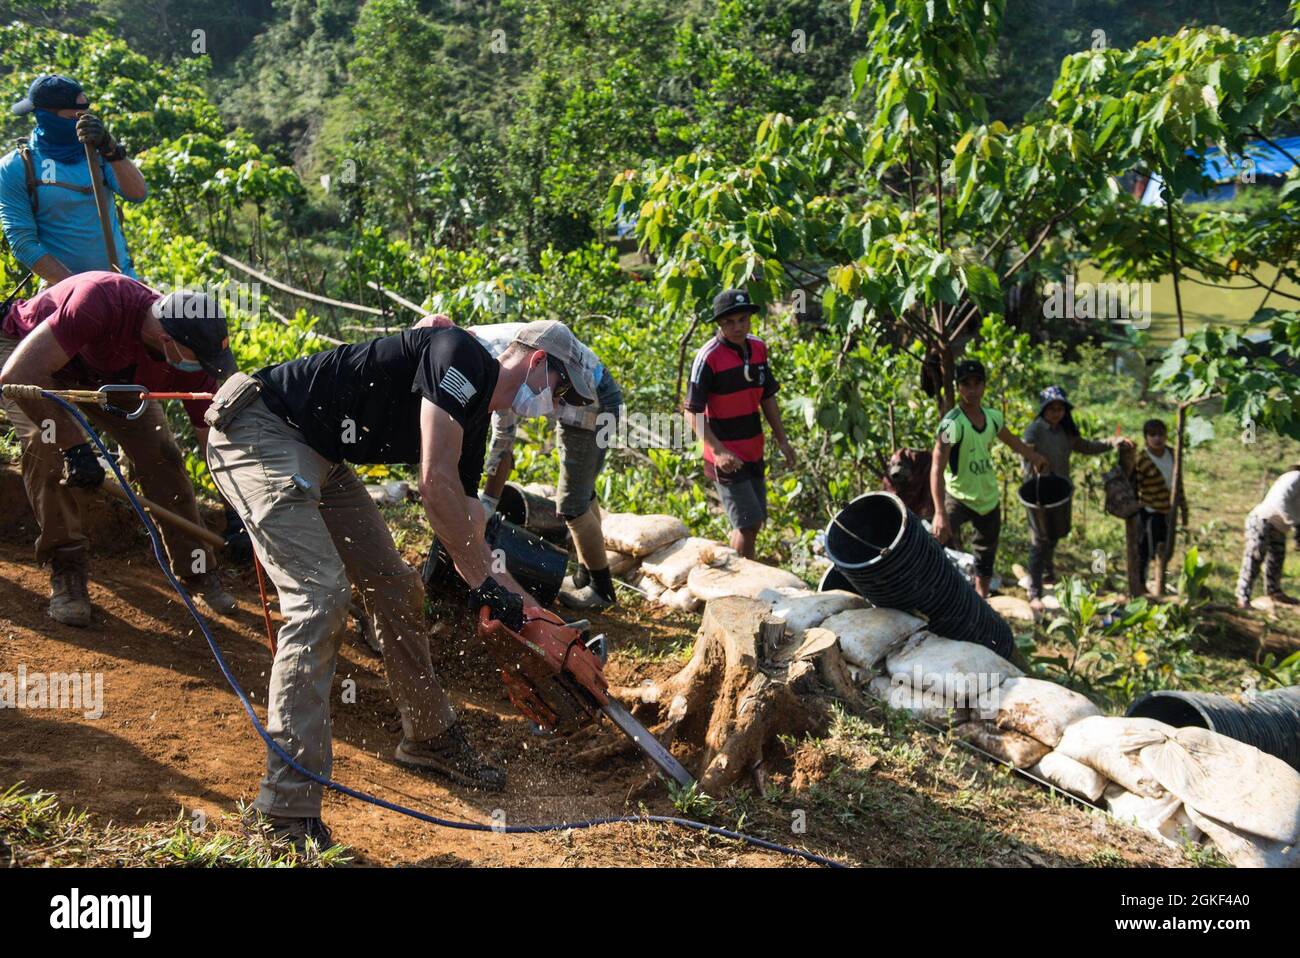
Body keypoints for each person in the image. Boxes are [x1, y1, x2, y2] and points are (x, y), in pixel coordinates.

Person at [204, 320, 596, 852]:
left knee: (395, 585)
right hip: (262, 430)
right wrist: (484, 583)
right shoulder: (460, 357)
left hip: (322, 455)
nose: (558, 404)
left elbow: (465, 520)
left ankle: (430, 737)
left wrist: (525, 611)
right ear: (536, 362)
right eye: (563, 389)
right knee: (320, 600)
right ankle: (284, 811)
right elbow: (433, 483)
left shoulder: (476, 415)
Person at [0, 271, 237, 626]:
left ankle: (197, 569)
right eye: (198, 359)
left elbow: (213, 441)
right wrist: (75, 448)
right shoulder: (100, 301)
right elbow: (18, 375)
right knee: (45, 445)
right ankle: (67, 568)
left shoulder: (190, 354)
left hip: (108, 376)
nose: (204, 368)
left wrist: (237, 510)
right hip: (31, 357)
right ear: (165, 339)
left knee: (163, 454)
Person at [435, 318, 624, 611]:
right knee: (581, 492)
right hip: (583, 391)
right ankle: (585, 574)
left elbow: (502, 438)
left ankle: (601, 589)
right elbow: (501, 436)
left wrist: (486, 504)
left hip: (592, 401)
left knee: (572, 504)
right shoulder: (475, 352)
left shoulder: (491, 359)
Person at [0, 74, 146, 285]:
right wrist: (80, 290)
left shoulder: (98, 152)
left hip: (121, 283)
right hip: (62, 292)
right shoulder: (17, 166)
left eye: (85, 116)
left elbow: (138, 194)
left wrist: (110, 146)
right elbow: (23, 244)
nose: (81, 123)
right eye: (73, 119)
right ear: (46, 117)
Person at [685, 288, 795, 559]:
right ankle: (745, 589)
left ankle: (735, 571)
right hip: (725, 453)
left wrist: (782, 440)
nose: (737, 327)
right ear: (719, 324)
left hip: (753, 447)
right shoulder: (708, 357)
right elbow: (692, 411)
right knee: (747, 523)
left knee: (753, 522)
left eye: (743, 320)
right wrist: (718, 450)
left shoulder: (758, 348)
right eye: (729, 322)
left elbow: (767, 396)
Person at [930, 359, 1049, 599]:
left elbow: (1012, 441)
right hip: (959, 496)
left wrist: (1034, 457)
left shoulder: (992, 418)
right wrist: (940, 512)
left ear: (984, 386)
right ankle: (930, 595)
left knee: (986, 555)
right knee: (934, 545)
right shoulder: (953, 423)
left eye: (977, 383)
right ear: (958, 387)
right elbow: (936, 466)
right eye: (966, 384)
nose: (972, 390)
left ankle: (981, 601)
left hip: (987, 497)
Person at [1020, 385, 1131, 610]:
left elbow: (1087, 447)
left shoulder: (1065, 431)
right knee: (1038, 540)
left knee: (1054, 534)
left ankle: (1047, 571)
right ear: (1043, 410)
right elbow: (1025, 454)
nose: (1056, 413)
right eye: (1052, 409)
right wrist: (1035, 463)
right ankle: (1035, 589)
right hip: (1039, 491)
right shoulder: (1035, 430)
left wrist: (1111, 442)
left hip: (1060, 490)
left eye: (1060, 409)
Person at [1130, 418, 1187, 592]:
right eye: (1152, 435)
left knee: (1165, 549)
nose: (1157, 438)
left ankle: (1159, 583)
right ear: (1146, 437)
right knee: (1145, 549)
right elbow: (1135, 485)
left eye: (1160, 434)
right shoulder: (1142, 459)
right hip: (1150, 510)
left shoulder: (1172, 454)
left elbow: (1178, 483)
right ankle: (1140, 584)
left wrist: (1184, 509)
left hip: (1168, 510)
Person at [1235, 466, 1300, 609]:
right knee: (1254, 557)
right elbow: (1282, 501)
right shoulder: (1296, 477)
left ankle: (1274, 592)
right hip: (1262, 520)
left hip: (1279, 525)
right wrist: (1296, 524)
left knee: (1276, 558)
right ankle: (1242, 596)